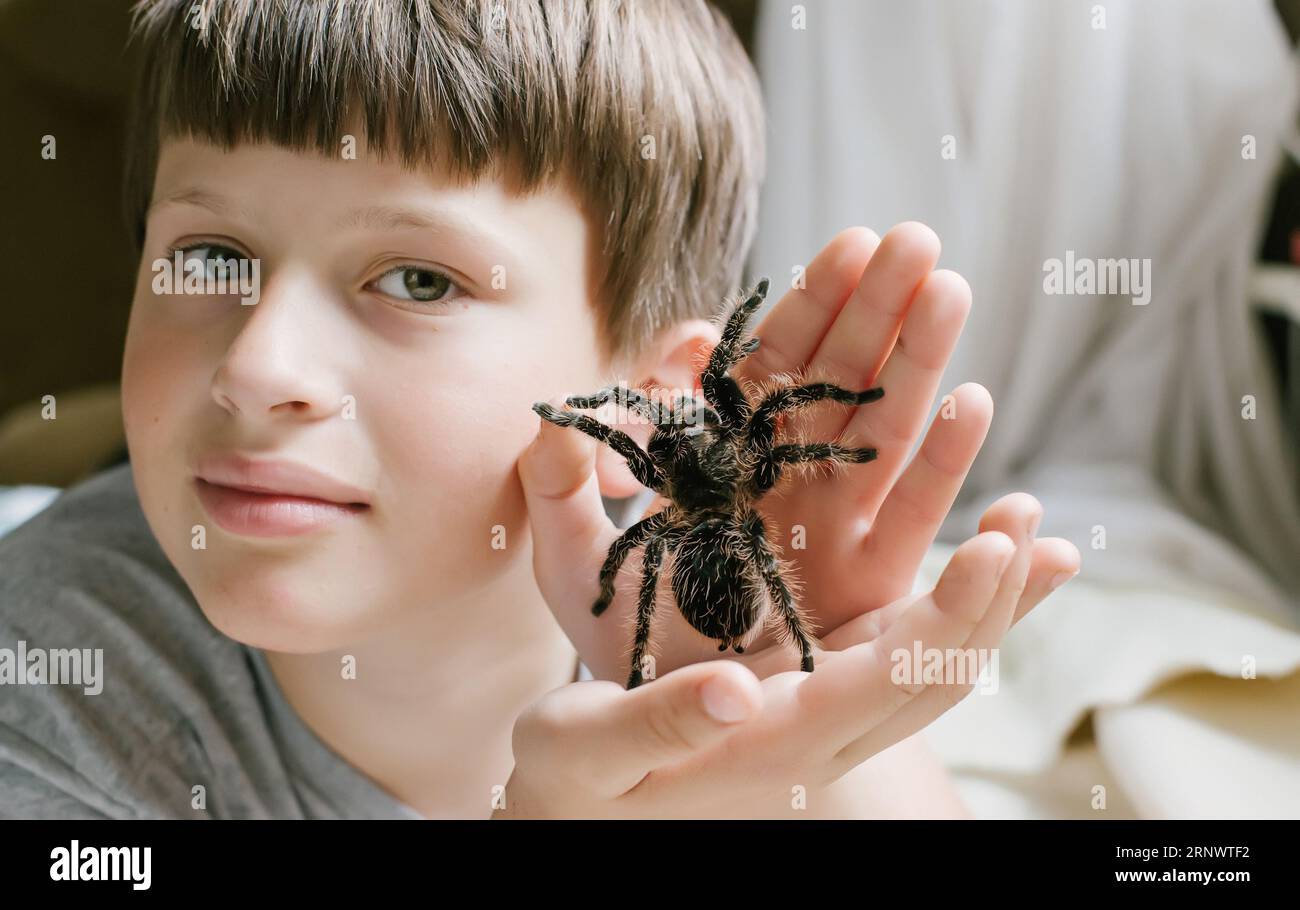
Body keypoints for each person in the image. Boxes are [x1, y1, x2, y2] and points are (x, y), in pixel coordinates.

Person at [0, 0, 1077, 819]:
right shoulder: (45, 677)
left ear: (652, 404)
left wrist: (816, 742)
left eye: (419, 280)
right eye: (211, 256)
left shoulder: (683, 624)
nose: (255, 362)